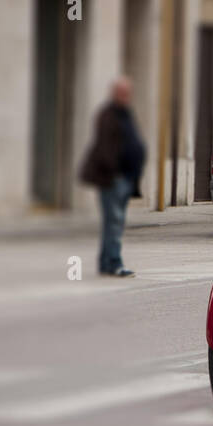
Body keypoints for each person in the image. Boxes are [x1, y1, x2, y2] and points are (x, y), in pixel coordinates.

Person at [79, 77, 145, 277]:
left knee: (114, 223)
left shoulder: (125, 114)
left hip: (125, 179)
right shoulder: (108, 115)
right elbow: (106, 148)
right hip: (113, 179)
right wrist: (116, 172)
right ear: (114, 93)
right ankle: (114, 263)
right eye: (122, 93)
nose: (126, 97)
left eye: (128, 93)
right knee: (114, 223)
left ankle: (106, 263)